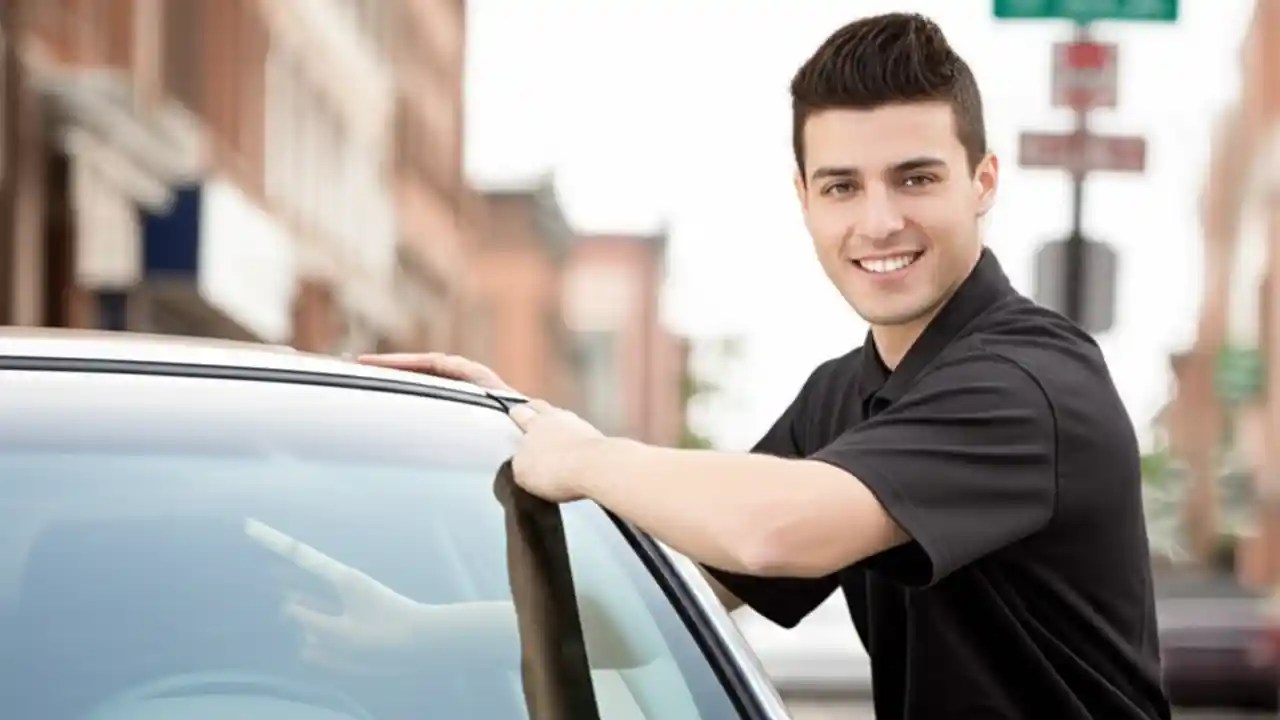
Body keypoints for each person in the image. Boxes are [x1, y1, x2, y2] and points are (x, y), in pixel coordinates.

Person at [359, 12, 1172, 719]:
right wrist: (418, 632)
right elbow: (676, 594)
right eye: (842, 187)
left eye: (915, 178)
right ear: (805, 198)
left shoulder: (1030, 382)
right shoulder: (842, 395)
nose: (880, 221)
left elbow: (772, 531)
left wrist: (581, 455)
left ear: (982, 182)